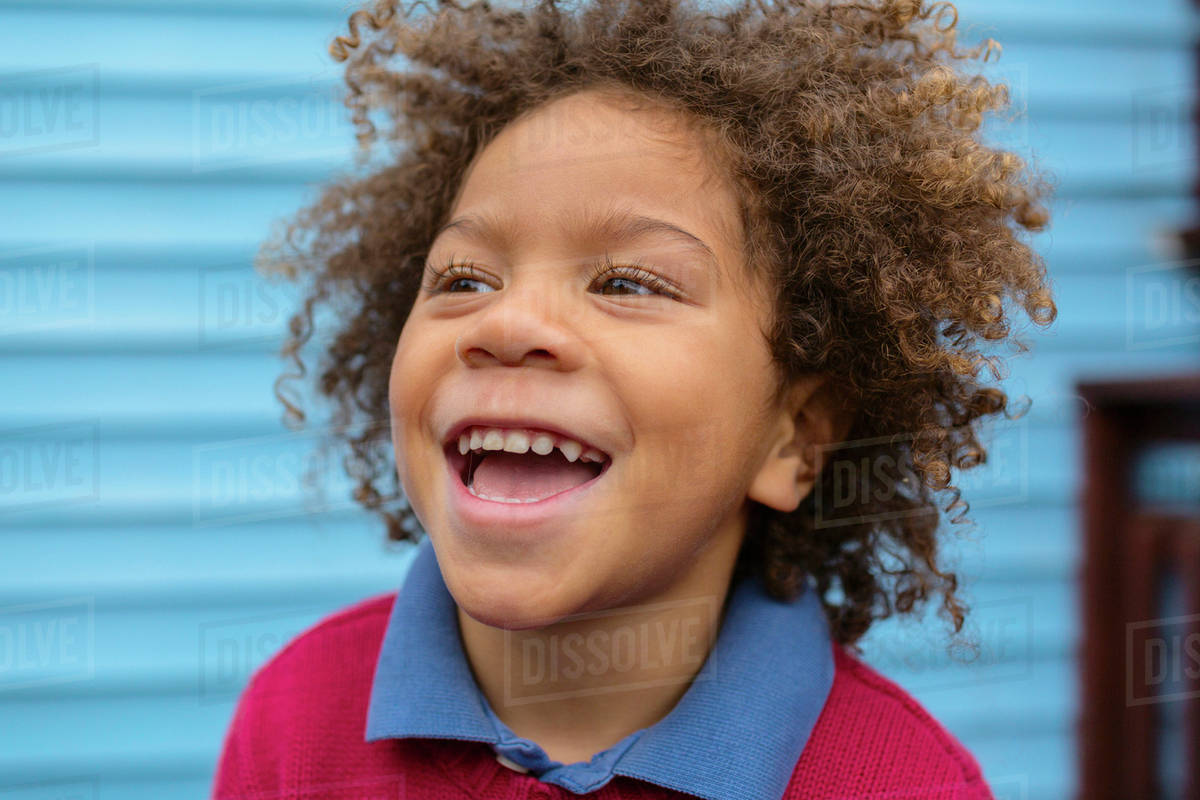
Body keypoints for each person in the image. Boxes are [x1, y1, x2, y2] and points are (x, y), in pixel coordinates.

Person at [212, 0, 1056, 797]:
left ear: (793, 439)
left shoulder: (900, 782)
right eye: (464, 278)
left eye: (626, 281)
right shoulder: (294, 722)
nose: (507, 322)